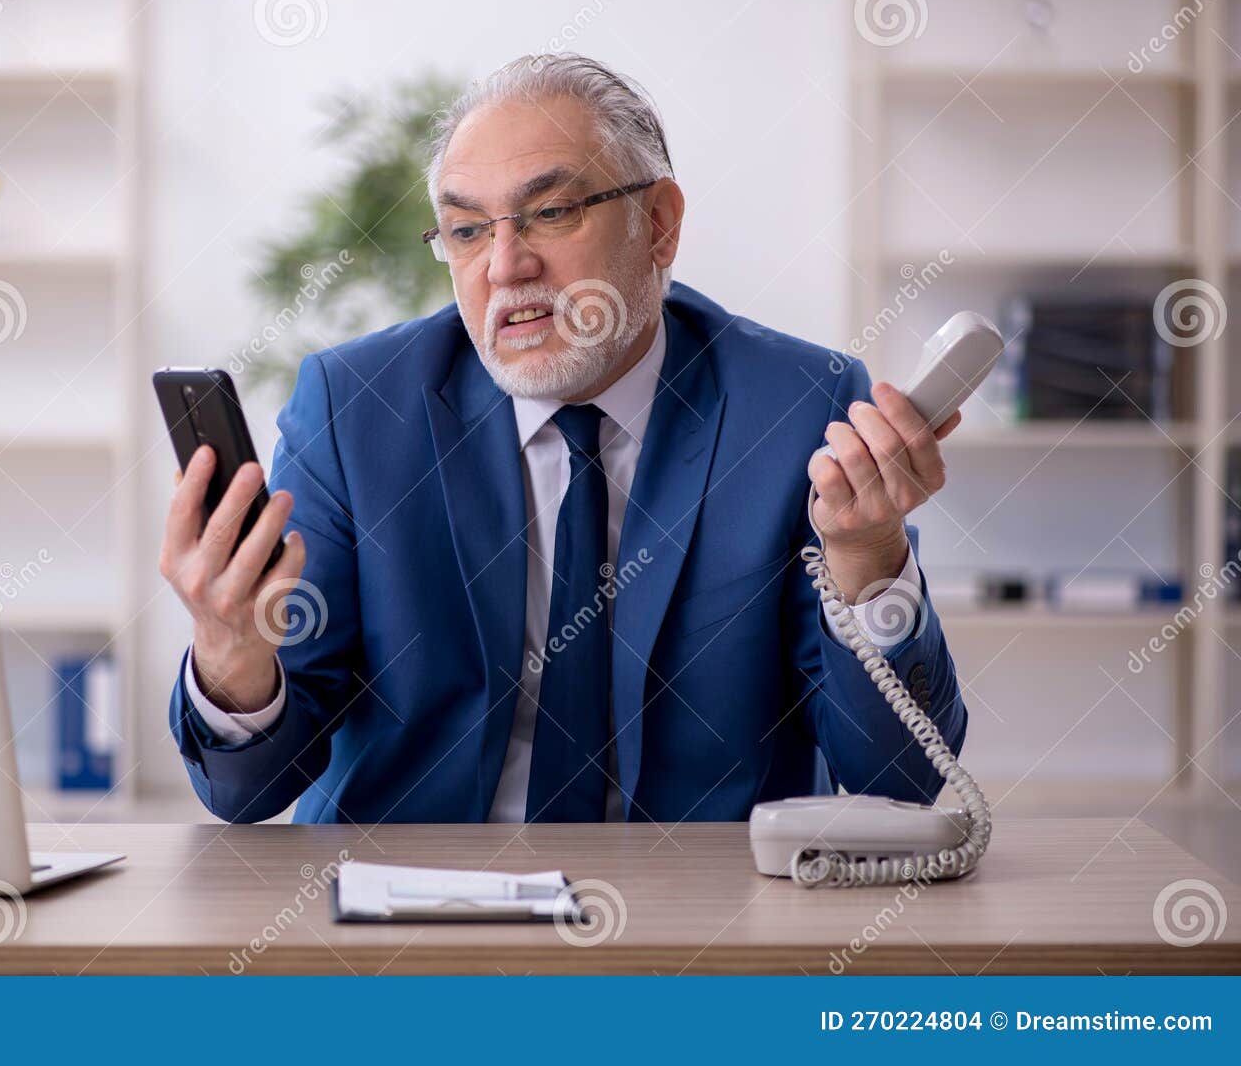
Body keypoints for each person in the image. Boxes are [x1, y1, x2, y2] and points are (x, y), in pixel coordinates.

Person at [160, 53, 965, 824]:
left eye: (550, 212)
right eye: (467, 231)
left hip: (693, 922)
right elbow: (248, 791)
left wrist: (867, 562)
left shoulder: (795, 408)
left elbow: (901, 775)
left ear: (658, 224)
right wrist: (231, 656)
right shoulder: (359, 410)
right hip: (407, 915)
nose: (506, 267)